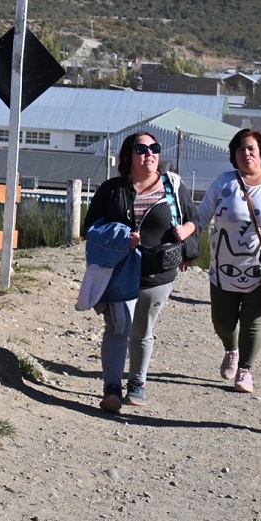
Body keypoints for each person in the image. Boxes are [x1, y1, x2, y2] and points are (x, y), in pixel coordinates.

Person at [82, 131, 198, 413]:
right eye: (141, 149)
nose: (149, 154)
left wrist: (186, 234)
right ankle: (111, 388)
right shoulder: (111, 190)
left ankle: (137, 383)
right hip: (120, 271)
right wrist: (122, 237)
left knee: (143, 330)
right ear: (127, 156)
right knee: (118, 328)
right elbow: (90, 229)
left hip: (159, 273)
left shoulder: (174, 185)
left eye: (154, 148)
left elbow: (193, 219)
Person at [193, 128, 261, 394]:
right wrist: (185, 243)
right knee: (223, 322)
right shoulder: (223, 183)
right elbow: (201, 217)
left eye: (251, 148)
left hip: (260, 270)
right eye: (240, 150)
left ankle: (245, 370)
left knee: (253, 321)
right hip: (222, 269)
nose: (246, 154)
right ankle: (231, 350)